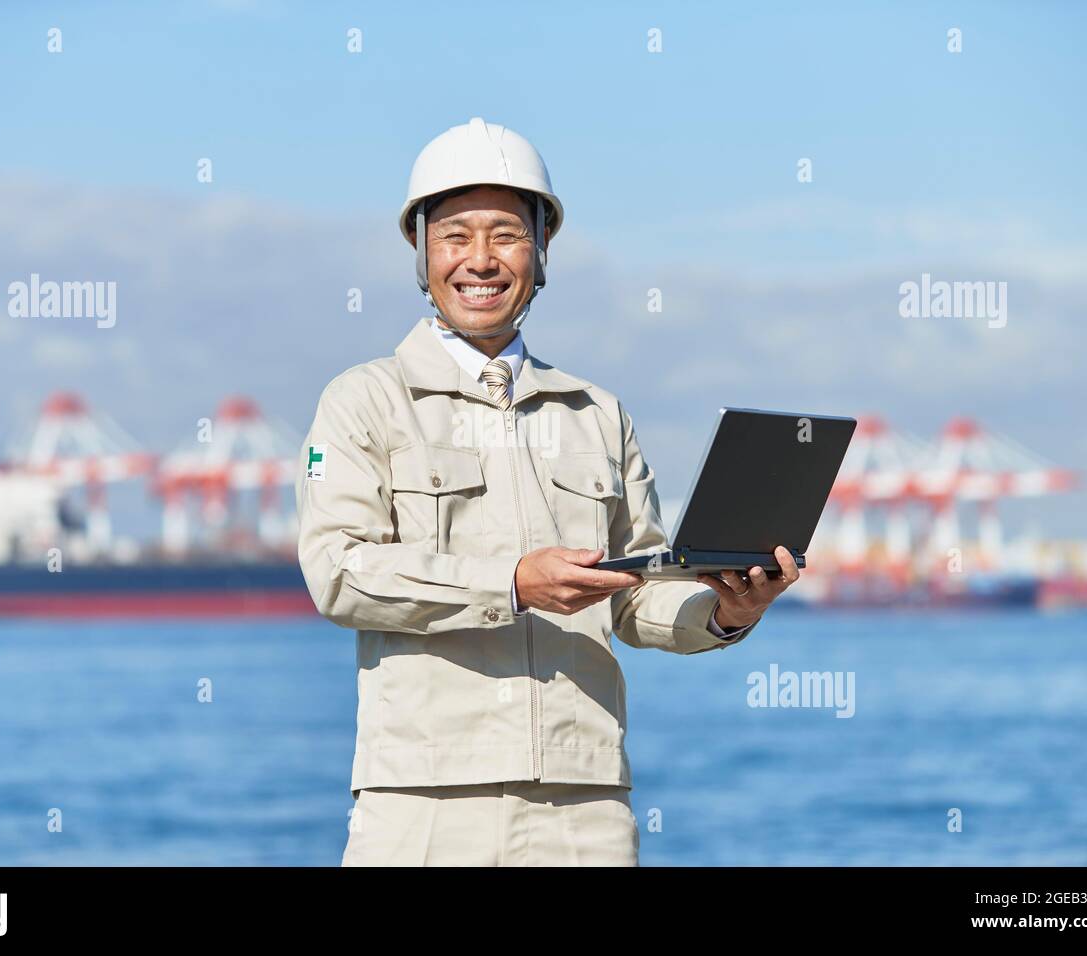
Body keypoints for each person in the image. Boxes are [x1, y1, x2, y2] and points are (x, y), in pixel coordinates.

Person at [295, 117, 802, 866]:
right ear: (420, 251)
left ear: (542, 250)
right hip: (424, 803)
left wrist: (726, 610)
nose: (481, 261)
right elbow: (339, 574)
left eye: (505, 235)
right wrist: (511, 583)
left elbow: (636, 594)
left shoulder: (597, 413)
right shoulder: (363, 401)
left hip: (585, 803)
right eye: (456, 236)